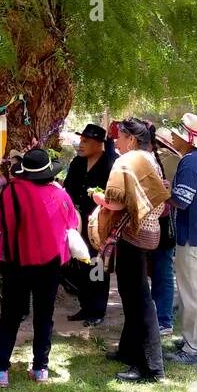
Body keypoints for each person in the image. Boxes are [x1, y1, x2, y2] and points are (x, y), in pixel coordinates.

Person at [0, 149, 78, 386]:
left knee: (11, 316)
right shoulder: (60, 194)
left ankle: (0, 370)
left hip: (17, 263)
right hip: (51, 264)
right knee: (44, 315)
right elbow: (73, 223)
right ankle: (40, 368)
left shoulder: (13, 191)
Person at [101, 118, 170, 383]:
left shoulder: (128, 161)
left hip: (133, 234)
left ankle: (151, 367)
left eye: (119, 137)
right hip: (150, 232)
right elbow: (161, 201)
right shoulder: (150, 158)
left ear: (131, 139)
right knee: (133, 295)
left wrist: (99, 200)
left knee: (139, 300)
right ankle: (128, 350)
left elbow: (115, 202)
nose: (116, 141)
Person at [164, 113, 197, 366]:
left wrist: (162, 192)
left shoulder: (190, 162)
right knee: (196, 290)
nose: (172, 138)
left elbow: (182, 200)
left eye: (176, 134)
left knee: (192, 293)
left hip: (191, 235)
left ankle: (195, 347)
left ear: (187, 137)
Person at [61, 123, 113, 326]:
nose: (80, 145)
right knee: (80, 265)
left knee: (98, 266)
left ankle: (97, 310)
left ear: (99, 144)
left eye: (86, 141)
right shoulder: (76, 163)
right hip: (77, 223)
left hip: (100, 224)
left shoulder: (110, 163)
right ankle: (85, 305)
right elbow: (68, 191)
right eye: (81, 140)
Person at [150, 126, 181, 335]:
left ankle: (162, 318)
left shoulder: (161, 159)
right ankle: (162, 316)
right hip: (166, 221)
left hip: (160, 220)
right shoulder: (177, 160)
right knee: (162, 270)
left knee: (161, 271)